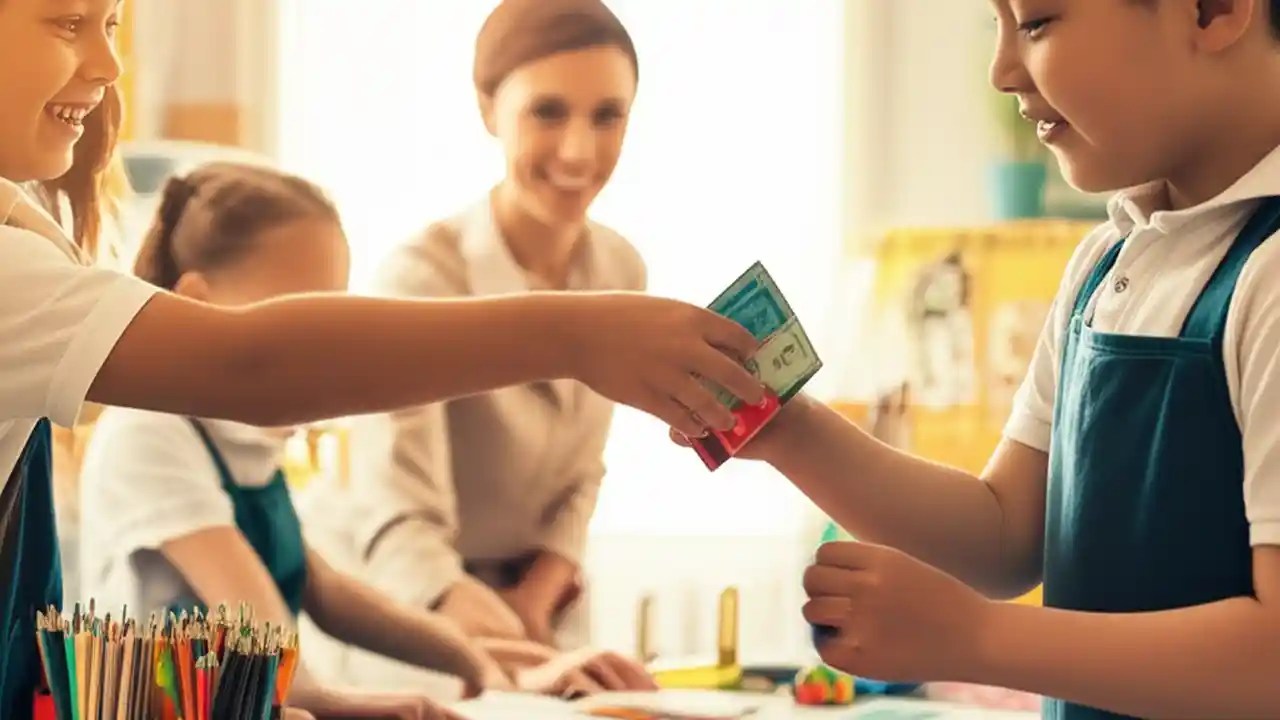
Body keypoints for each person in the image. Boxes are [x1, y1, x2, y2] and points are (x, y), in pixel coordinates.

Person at [0, 0, 766, 717]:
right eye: (71, 21)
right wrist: (578, 337)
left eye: (109, 21)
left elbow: (324, 588)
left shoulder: (34, 259)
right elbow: (261, 372)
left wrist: (491, 657)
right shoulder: (145, 423)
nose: (109, 63)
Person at [683, 1, 1280, 718]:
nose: (1000, 71)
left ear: (1213, 11)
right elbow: (1002, 537)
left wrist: (977, 637)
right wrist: (786, 428)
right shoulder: (1108, 260)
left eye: (1035, 23)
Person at [333, 0, 651, 667]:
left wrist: (536, 603)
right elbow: (399, 515)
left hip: (541, 603)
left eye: (607, 115)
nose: (579, 150)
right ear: (488, 109)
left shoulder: (620, 267)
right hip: (420, 608)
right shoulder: (422, 276)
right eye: (548, 111)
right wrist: (499, 637)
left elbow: (582, 472)